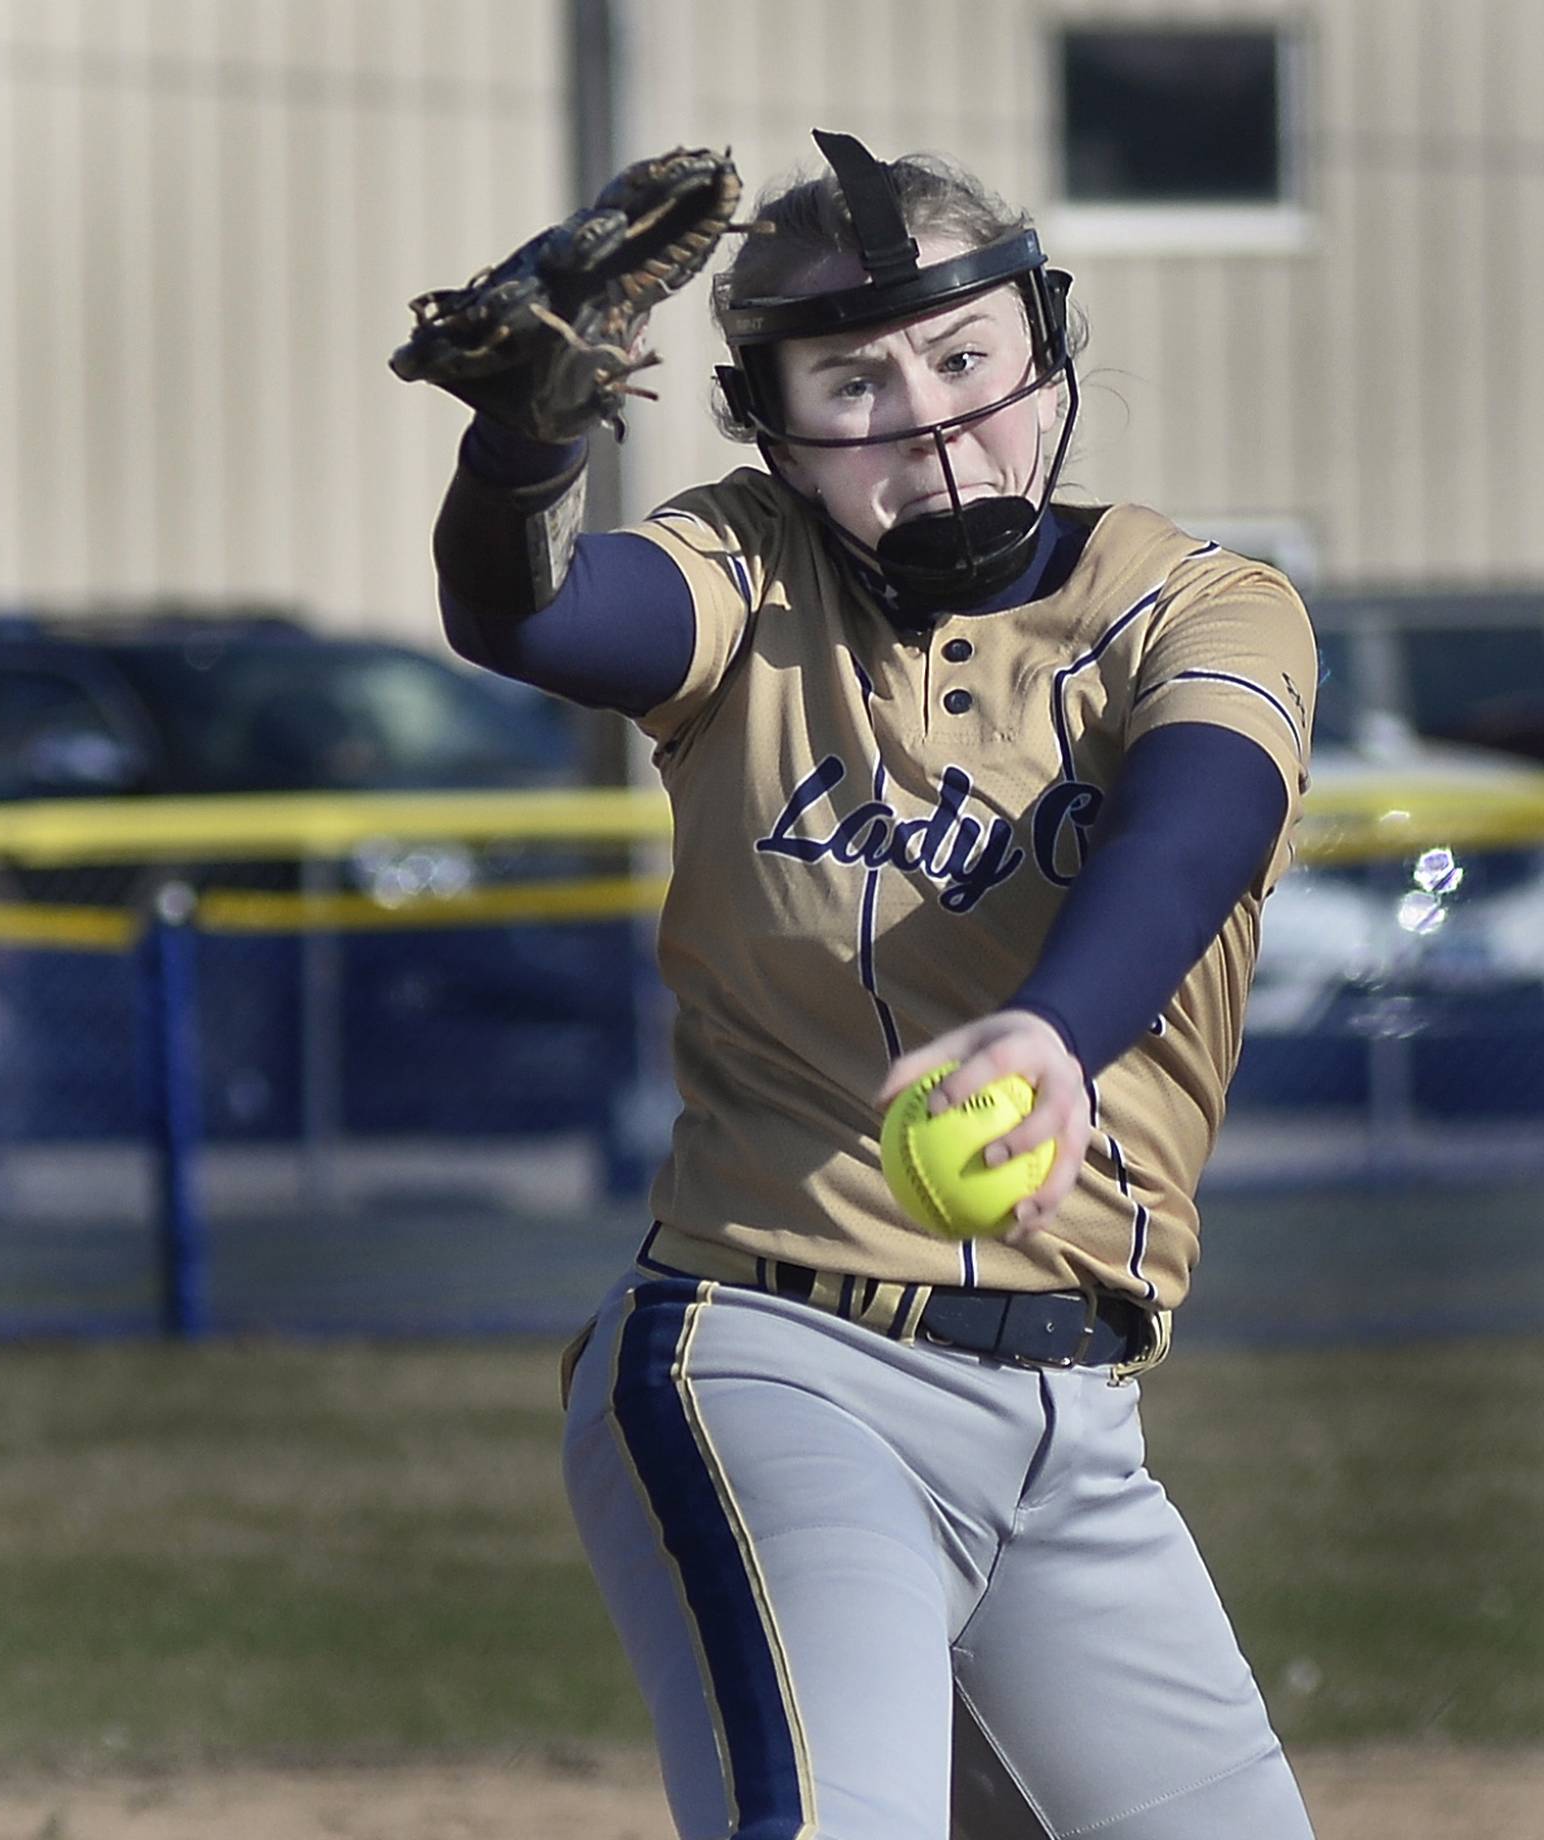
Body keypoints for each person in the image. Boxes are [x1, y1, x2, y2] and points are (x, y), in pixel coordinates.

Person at [413, 130, 1317, 1840]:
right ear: (771, 422)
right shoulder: (749, 571)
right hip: (773, 1362)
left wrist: (1056, 1029)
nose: (929, 423)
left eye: (966, 358)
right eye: (852, 383)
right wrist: (519, 448)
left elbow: (1201, 825)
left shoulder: (1200, 607)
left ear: (1046, 346)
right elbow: (535, 619)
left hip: (1075, 1418)